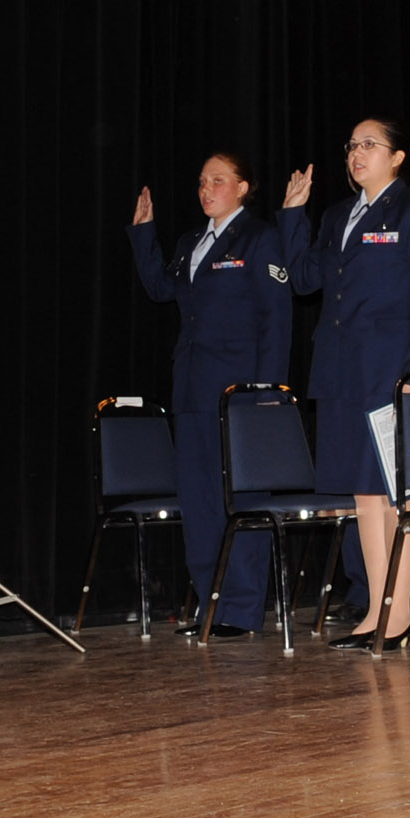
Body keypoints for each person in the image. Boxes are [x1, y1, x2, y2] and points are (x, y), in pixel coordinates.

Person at [279, 119, 410, 649]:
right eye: (351, 145)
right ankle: (378, 607)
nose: (357, 153)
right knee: (364, 496)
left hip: (391, 369)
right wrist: (292, 216)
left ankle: (398, 613)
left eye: (369, 145)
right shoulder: (336, 217)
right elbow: (305, 279)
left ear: (398, 157)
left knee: (399, 496)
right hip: (340, 369)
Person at [127, 152, 293, 638]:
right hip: (193, 388)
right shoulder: (191, 242)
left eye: (218, 180)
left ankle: (241, 611)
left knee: (242, 501)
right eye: (202, 181)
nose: (206, 189)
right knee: (199, 501)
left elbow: (277, 318)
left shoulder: (260, 238)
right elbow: (161, 288)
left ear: (243, 188)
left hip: (240, 391)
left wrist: (267, 390)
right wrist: (143, 235)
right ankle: (210, 603)